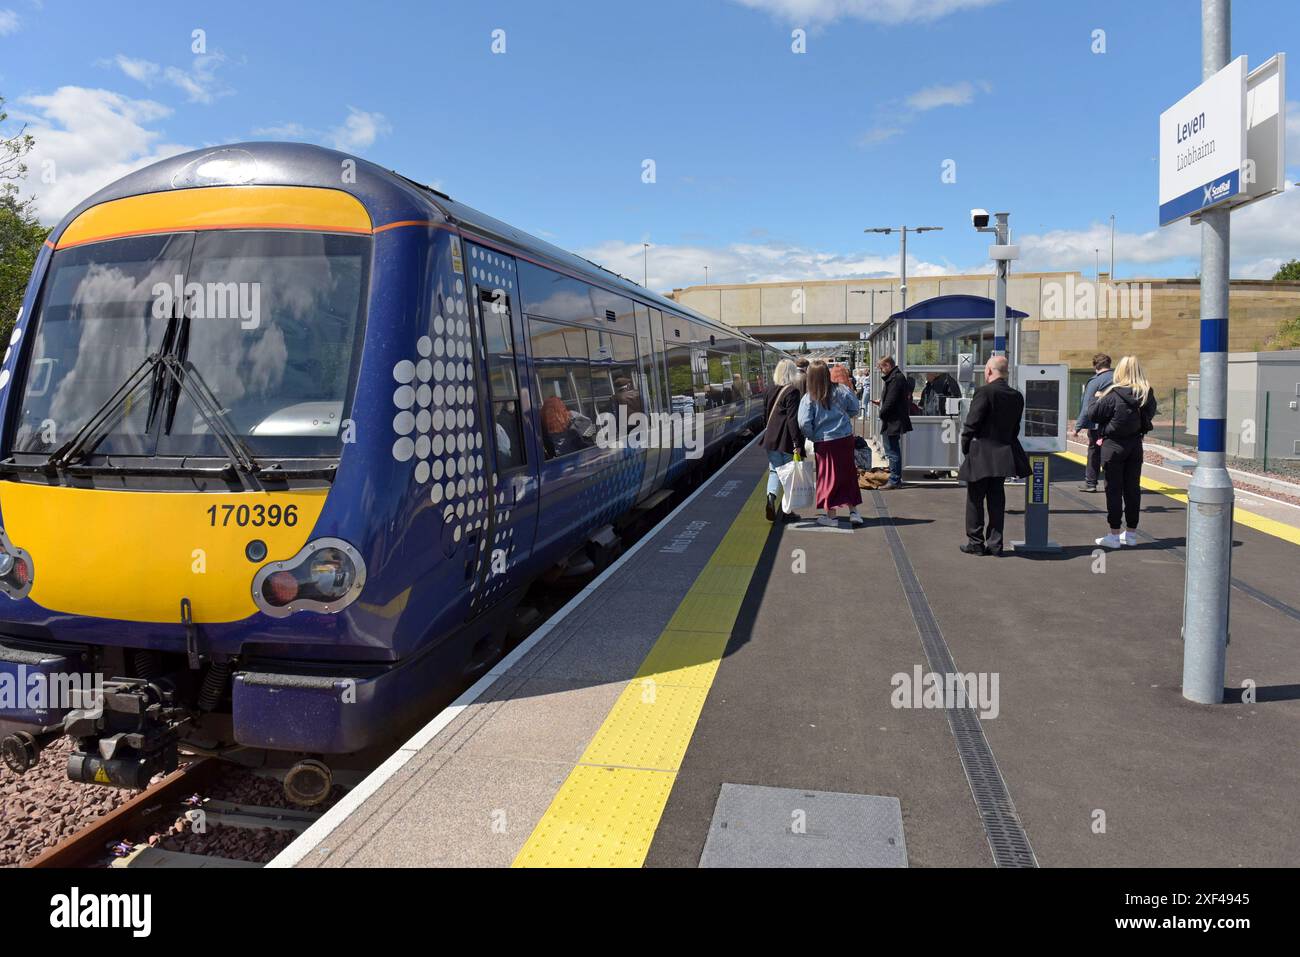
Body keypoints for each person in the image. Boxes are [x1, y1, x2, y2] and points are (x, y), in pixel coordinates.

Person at [957, 355, 1031, 556]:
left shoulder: (984, 392)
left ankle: (976, 542)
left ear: (989, 371)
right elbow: (1015, 427)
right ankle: (995, 543)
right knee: (997, 500)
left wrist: (966, 446)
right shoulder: (1017, 396)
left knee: (975, 499)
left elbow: (972, 423)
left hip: (981, 452)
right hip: (1003, 454)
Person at [1089, 356, 1157, 549]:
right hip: (1135, 445)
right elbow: (1150, 415)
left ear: (1120, 371)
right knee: (1133, 489)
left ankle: (1114, 534)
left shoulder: (1113, 394)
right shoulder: (1146, 394)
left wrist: (1096, 399)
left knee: (1114, 490)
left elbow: (1093, 413)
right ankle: (1131, 534)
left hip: (1113, 447)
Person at [797, 360, 864, 526]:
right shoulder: (842, 389)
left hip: (825, 442)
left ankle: (831, 516)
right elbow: (855, 408)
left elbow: (804, 422)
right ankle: (854, 512)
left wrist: (813, 436)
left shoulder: (809, 397)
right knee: (848, 474)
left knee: (827, 477)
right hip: (845, 438)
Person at [761, 358, 806, 522]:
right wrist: (797, 443)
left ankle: (771, 498)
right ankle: (787, 512)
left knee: (774, 470)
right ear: (792, 373)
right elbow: (792, 419)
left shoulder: (768, 389)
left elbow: (765, 416)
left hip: (771, 439)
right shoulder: (792, 391)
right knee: (789, 475)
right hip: (786, 440)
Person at [1071, 353, 1114, 492]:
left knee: (1094, 452)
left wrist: (1078, 427)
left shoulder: (1095, 381)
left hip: (1097, 425)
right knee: (1112, 453)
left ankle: (1091, 483)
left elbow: (1087, 406)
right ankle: (1112, 484)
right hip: (1115, 424)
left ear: (1095, 365)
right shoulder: (1119, 378)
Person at [872, 355, 912, 489]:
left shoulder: (896, 378)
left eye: (881, 367)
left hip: (893, 420)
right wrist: (882, 403)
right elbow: (891, 399)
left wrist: (882, 411)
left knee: (892, 451)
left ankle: (894, 480)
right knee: (892, 449)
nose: (881, 370)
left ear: (888, 365)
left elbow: (891, 400)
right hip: (893, 419)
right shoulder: (896, 377)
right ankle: (894, 478)